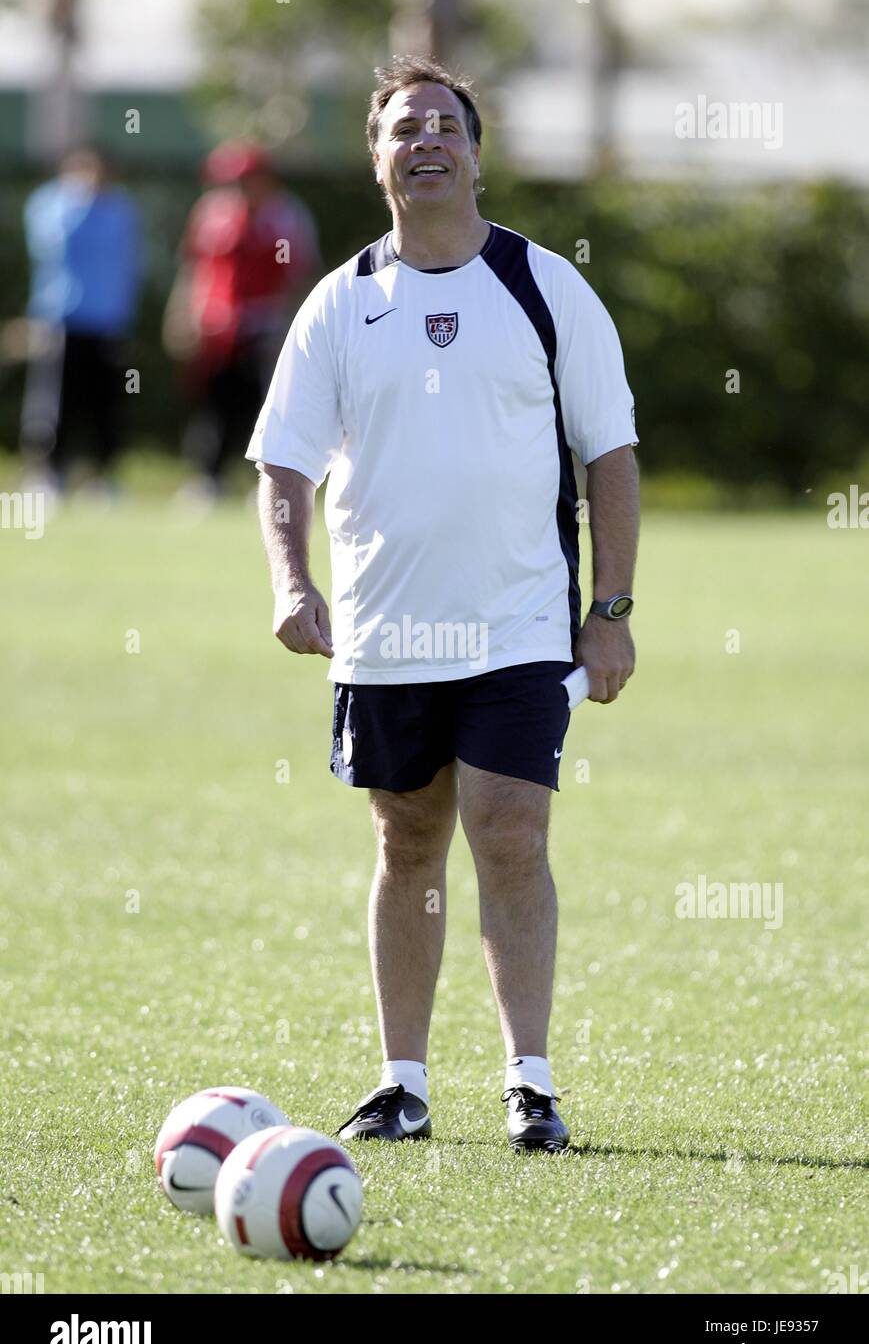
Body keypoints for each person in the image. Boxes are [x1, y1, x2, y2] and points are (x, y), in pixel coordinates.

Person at [248, 57, 640, 1153]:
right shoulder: (339, 302)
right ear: (377, 159)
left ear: (474, 151)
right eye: (402, 128)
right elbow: (282, 466)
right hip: (380, 635)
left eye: (443, 127)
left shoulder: (544, 284)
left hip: (517, 624)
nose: (424, 141)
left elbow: (607, 451)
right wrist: (290, 581)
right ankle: (400, 1085)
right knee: (405, 838)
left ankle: (529, 1082)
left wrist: (607, 607)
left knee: (510, 831)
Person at [164, 141, 320, 498]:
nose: (235, 191)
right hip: (216, 327)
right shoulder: (210, 214)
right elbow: (194, 268)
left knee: (268, 403)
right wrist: (182, 313)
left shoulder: (287, 217)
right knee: (213, 404)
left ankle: (268, 483)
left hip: (265, 326)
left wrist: (294, 327)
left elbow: (302, 275)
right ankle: (208, 478)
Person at [21, 146, 141, 492]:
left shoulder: (120, 209)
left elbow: (128, 265)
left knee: (106, 405)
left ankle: (102, 477)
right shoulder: (50, 204)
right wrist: (82, 203)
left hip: (108, 323)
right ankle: (49, 473)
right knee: (53, 402)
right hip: (60, 319)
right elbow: (51, 245)